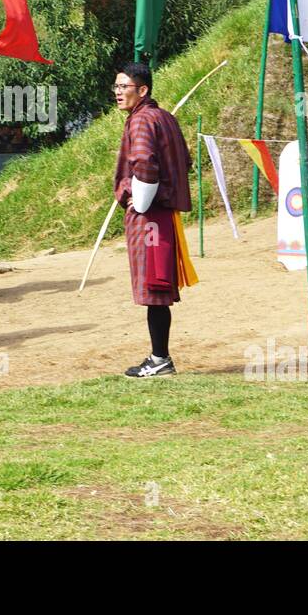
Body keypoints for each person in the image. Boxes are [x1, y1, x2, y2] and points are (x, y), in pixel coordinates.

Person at [113, 62, 198, 378]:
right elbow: (184, 162)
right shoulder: (165, 117)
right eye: (117, 87)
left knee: (154, 287)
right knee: (156, 286)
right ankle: (160, 356)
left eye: (125, 87)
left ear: (143, 90)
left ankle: (160, 358)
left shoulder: (142, 121)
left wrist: (140, 198)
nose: (119, 93)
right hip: (162, 214)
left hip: (150, 216)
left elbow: (145, 165)